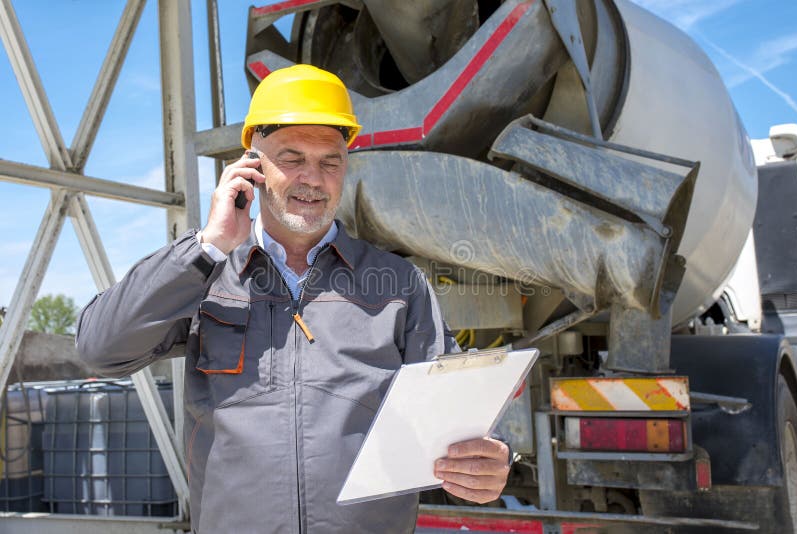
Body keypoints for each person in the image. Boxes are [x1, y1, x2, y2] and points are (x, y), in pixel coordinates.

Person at [76, 64, 510, 533]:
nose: (313, 179)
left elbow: (454, 413)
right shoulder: (204, 274)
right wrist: (208, 245)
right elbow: (99, 349)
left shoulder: (398, 284)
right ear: (252, 166)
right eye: (292, 157)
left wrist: (490, 456)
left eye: (330, 161)